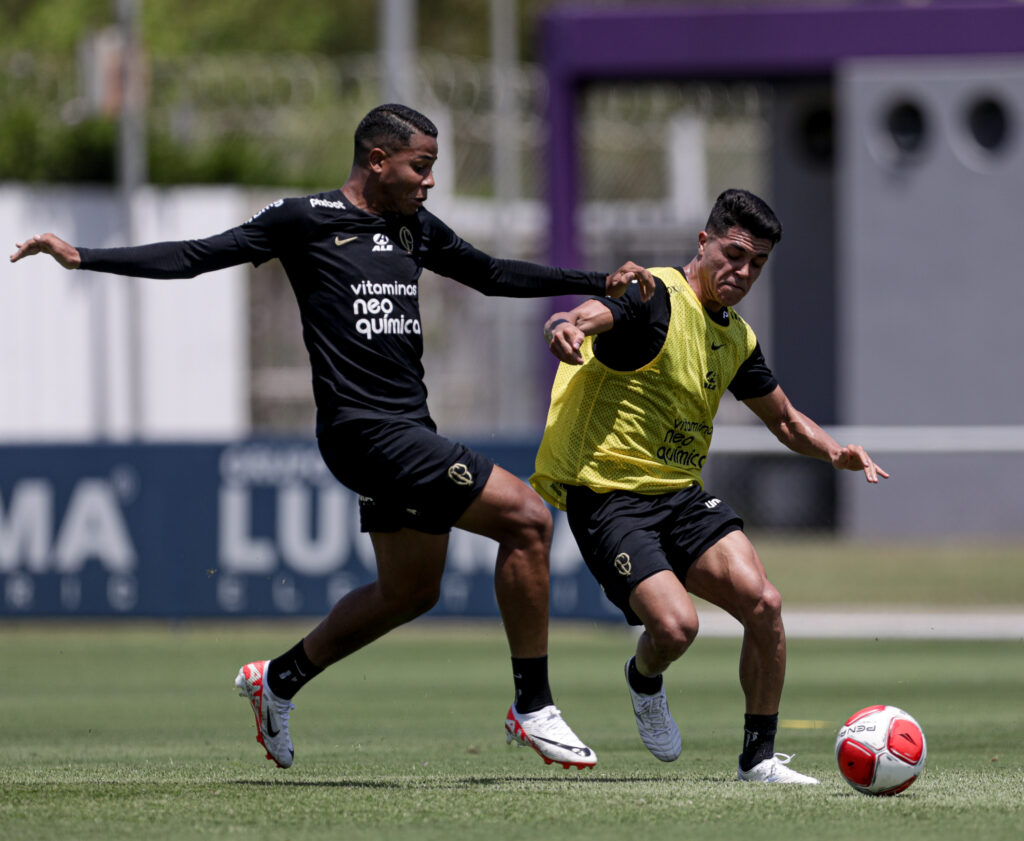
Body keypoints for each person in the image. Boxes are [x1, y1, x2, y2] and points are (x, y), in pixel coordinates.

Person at [10, 103, 655, 772]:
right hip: (362, 431)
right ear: (378, 161)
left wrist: (596, 281)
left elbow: (491, 274)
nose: (429, 182)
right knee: (525, 518)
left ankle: (278, 680)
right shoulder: (304, 219)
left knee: (410, 591)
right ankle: (533, 705)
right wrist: (83, 256)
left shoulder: (414, 229)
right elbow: (197, 256)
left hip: (407, 428)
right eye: (420, 167)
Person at [531, 188, 888, 784]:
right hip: (609, 494)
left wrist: (834, 451)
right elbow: (596, 313)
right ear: (704, 241)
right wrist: (564, 323)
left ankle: (759, 760)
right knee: (676, 628)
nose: (743, 272)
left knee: (765, 604)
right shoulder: (655, 297)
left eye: (757, 264)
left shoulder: (736, 339)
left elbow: (784, 420)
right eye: (734, 254)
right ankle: (643, 679)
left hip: (681, 493)